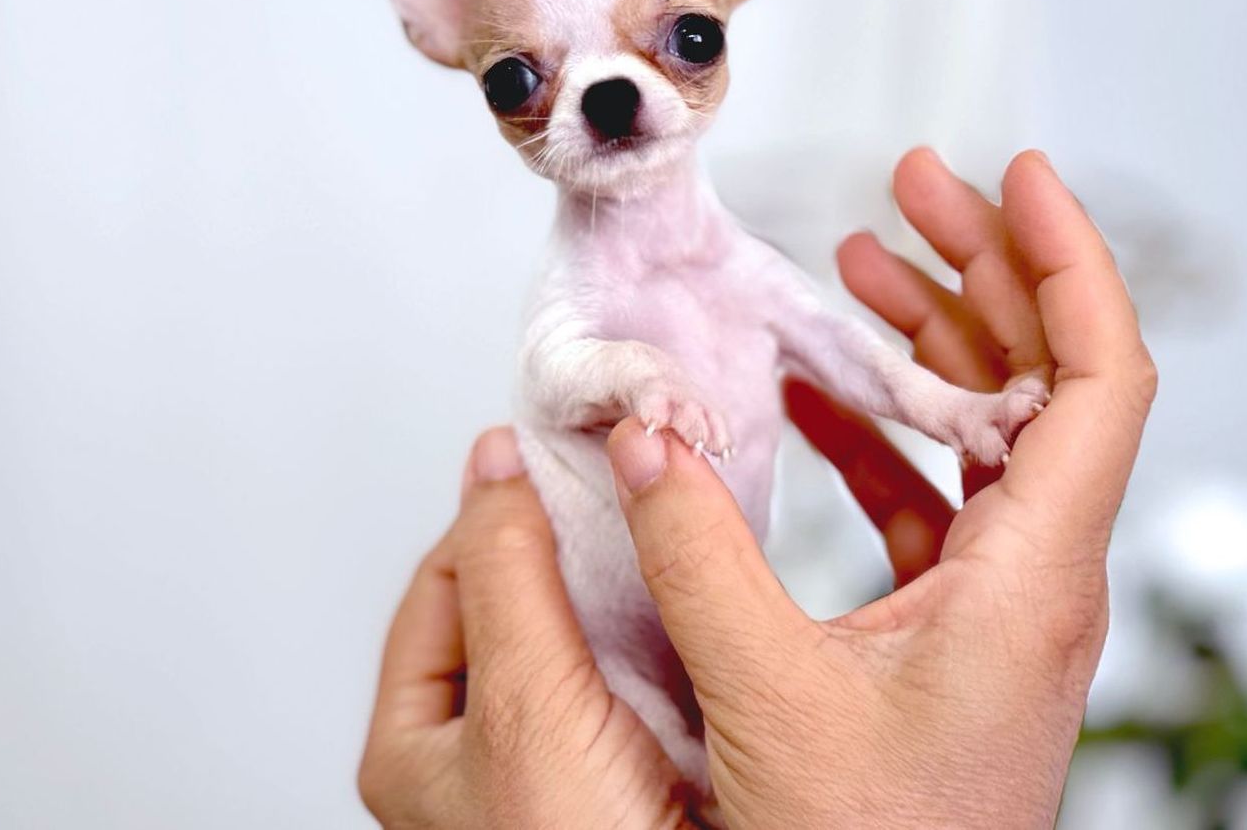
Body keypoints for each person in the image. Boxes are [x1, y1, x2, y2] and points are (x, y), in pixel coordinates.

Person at [357, 149, 1158, 829]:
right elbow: (552, 369)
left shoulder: (730, 256)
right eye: (520, 78)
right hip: (592, 655)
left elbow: (836, 344)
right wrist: (639, 373)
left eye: (689, 39)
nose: (611, 93)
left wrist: (958, 413)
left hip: (702, 679)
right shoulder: (577, 275)